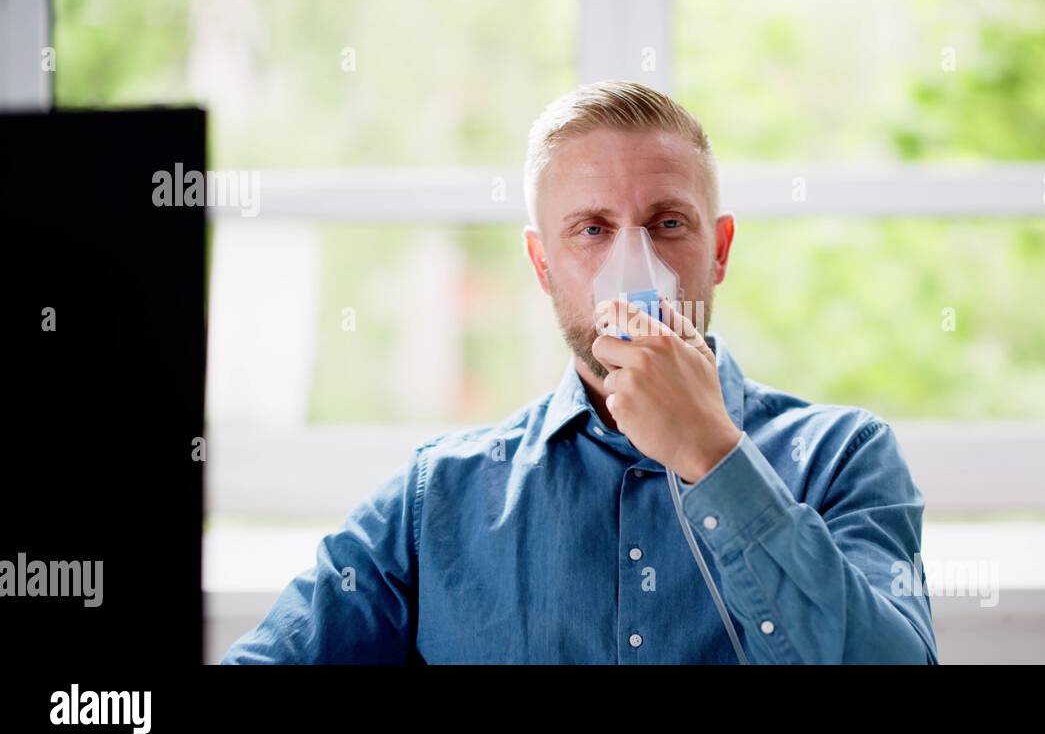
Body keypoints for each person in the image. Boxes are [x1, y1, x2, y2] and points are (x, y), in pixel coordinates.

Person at [222, 80, 938, 664]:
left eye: (667, 224)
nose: (637, 271)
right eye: (592, 229)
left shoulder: (844, 457)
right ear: (542, 264)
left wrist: (714, 456)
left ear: (718, 249)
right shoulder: (436, 498)